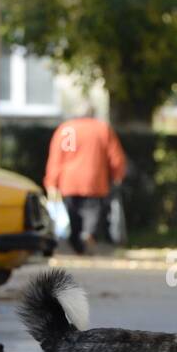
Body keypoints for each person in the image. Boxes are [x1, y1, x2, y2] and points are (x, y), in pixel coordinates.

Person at [44, 109, 127, 254]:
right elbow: (116, 158)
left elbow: (56, 159)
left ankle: (77, 244)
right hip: (94, 182)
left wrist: (51, 183)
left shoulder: (65, 129)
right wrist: (117, 176)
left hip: (68, 183)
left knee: (73, 218)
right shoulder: (102, 128)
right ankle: (88, 236)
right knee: (92, 215)